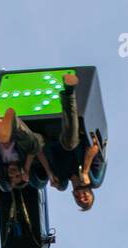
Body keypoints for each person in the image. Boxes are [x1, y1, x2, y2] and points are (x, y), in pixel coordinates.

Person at [46, 73, 106, 209]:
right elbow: (95, 147)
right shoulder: (93, 176)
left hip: (53, 137)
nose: (81, 198)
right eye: (86, 198)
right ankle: (69, 93)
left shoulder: (63, 175)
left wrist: (50, 173)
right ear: (90, 192)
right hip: (77, 135)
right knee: (70, 143)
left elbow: (47, 152)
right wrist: (85, 171)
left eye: (79, 201)